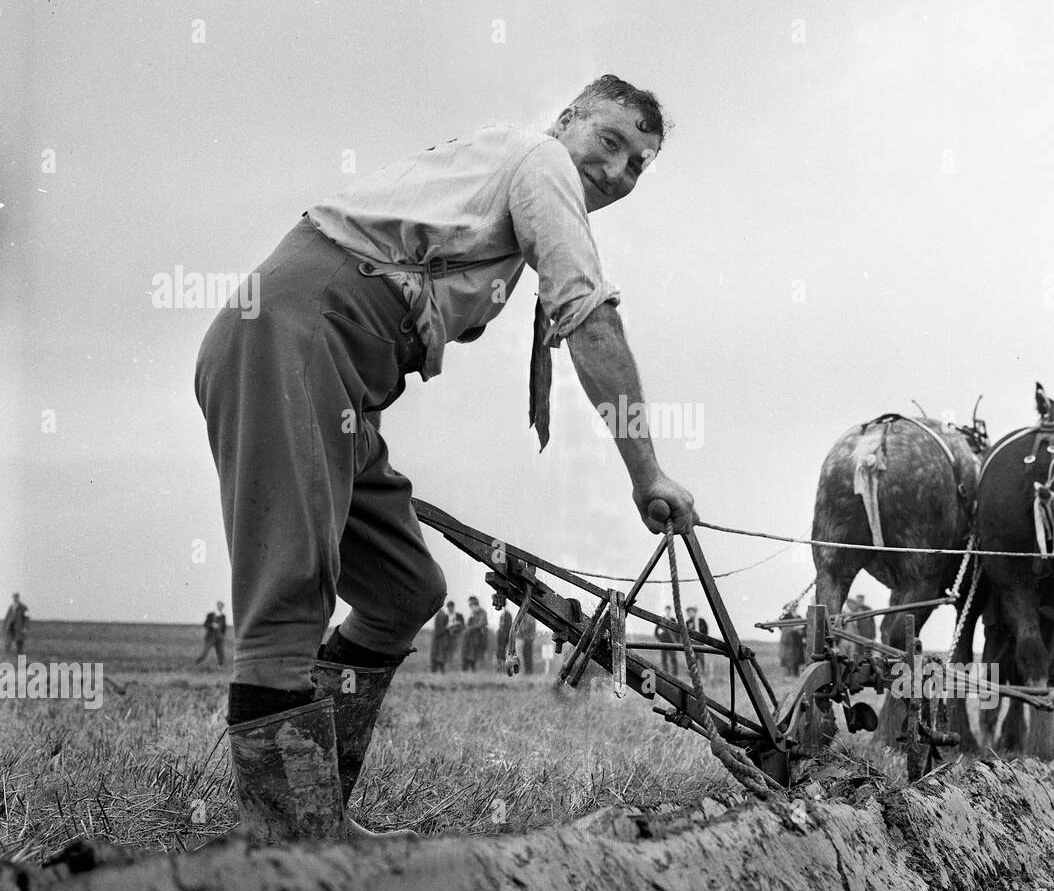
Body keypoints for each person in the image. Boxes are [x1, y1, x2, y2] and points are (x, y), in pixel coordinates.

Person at [194, 75, 697, 842]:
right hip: (293, 336)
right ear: (567, 120)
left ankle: (319, 817)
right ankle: (286, 850)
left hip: (342, 381)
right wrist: (647, 473)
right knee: (290, 589)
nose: (618, 170)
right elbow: (588, 315)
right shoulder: (542, 165)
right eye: (611, 140)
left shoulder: (515, 170)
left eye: (638, 164)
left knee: (405, 587)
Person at [195, 601, 228, 666]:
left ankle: (222, 666)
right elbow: (205, 624)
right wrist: (212, 625)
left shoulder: (223, 616)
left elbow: (224, 627)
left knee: (220, 652)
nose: (220, 607)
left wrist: (223, 635)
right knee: (205, 651)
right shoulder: (210, 615)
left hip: (219, 637)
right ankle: (196, 663)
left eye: (221, 606)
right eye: (219, 605)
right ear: (216, 606)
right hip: (210, 636)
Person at [778, 602, 806, 676]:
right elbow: (781, 627)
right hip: (788, 640)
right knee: (787, 656)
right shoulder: (785, 617)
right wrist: (793, 629)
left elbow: (804, 627)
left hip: (797, 640)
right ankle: (788, 674)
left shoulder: (799, 617)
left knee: (797, 657)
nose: (793, 608)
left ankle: (795, 674)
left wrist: (801, 632)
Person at [463, 597, 489, 672]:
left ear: (475, 606)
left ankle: (479, 671)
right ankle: (472, 670)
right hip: (472, 638)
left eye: (472, 607)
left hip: (480, 638)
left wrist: (471, 628)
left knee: (477, 656)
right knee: (471, 655)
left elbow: (482, 623)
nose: (471, 609)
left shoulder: (483, 613)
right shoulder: (474, 614)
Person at [430, 599, 455, 673]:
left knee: (437, 658)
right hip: (441, 640)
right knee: (440, 658)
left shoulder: (440, 615)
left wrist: (436, 634)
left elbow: (440, 629)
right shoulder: (442, 614)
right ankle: (439, 674)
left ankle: (436, 674)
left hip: (439, 640)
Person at [654, 607, 679, 676]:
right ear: (665, 611)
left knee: (673, 658)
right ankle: (665, 673)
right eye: (666, 610)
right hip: (663, 642)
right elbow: (656, 631)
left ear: (670, 611)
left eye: (669, 610)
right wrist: (660, 638)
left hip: (672, 643)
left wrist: (676, 639)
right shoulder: (662, 619)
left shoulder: (673, 620)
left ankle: (675, 673)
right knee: (664, 659)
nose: (668, 611)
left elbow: (677, 631)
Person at [685, 606, 709, 676]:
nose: (689, 614)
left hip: (700, 642)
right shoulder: (688, 622)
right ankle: (695, 672)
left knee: (701, 657)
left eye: (690, 612)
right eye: (688, 613)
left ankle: (704, 671)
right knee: (693, 657)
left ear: (695, 612)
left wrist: (704, 640)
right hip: (691, 642)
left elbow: (705, 630)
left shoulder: (701, 621)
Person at [516, 608, 538, 675]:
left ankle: (528, 671)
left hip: (528, 639)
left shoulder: (528, 616)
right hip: (528, 638)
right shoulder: (530, 616)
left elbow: (525, 627)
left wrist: (521, 633)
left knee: (527, 655)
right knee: (527, 655)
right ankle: (528, 671)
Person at [495, 606, 513, 672]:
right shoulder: (501, 615)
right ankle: (500, 669)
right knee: (499, 654)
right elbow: (500, 625)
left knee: (505, 654)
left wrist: (506, 634)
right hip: (501, 637)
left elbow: (509, 625)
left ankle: (505, 669)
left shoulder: (507, 615)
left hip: (505, 637)